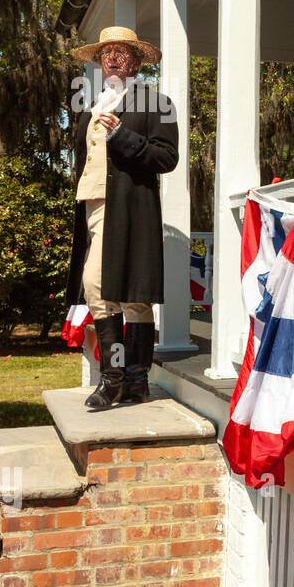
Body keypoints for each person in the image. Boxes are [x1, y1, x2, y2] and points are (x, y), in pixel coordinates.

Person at [62, 26, 178, 409]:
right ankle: (114, 378)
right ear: (98, 61)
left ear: (137, 61)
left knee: (135, 299)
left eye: (123, 52)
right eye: (107, 52)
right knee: (97, 287)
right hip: (94, 206)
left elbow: (166, 158)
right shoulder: (90, 106)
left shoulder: (155, 103)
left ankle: (133, 380)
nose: (113, 58)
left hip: (132, 207)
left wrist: (123, 137)